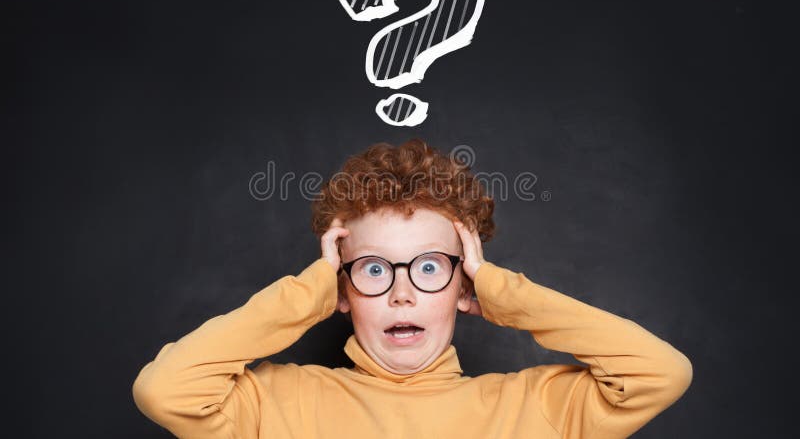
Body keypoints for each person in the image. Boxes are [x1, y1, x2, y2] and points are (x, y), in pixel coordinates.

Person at [132, 138, 693, 438]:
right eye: (375, 269)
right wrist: (303, 298)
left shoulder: (537, 409)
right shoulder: (273, 404)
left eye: (428, 268)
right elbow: (165, 391)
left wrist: (506, 294)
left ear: (462, 288)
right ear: (341, 291)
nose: (402, 293)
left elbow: (660, 373)